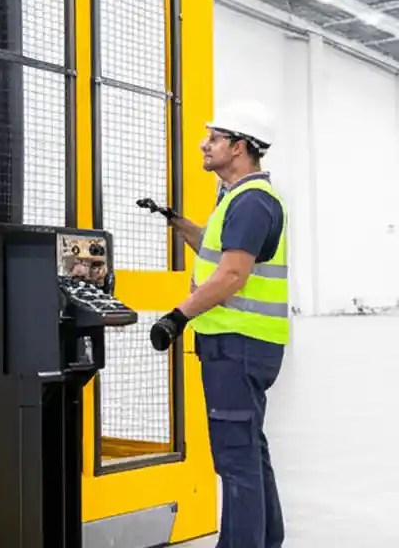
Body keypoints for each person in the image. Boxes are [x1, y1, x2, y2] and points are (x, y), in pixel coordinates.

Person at [138, 99, 289, 548]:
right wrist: (176, 222)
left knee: (235, 460)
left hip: (238, 345)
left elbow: (232, 275)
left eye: (215, 138)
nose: (205, 144)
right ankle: (268, 540)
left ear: (239, 147)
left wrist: (177, 317)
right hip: (244, 345)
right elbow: (219, 251)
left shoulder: (251, 202)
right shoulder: (241, 199)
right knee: (249, 451)